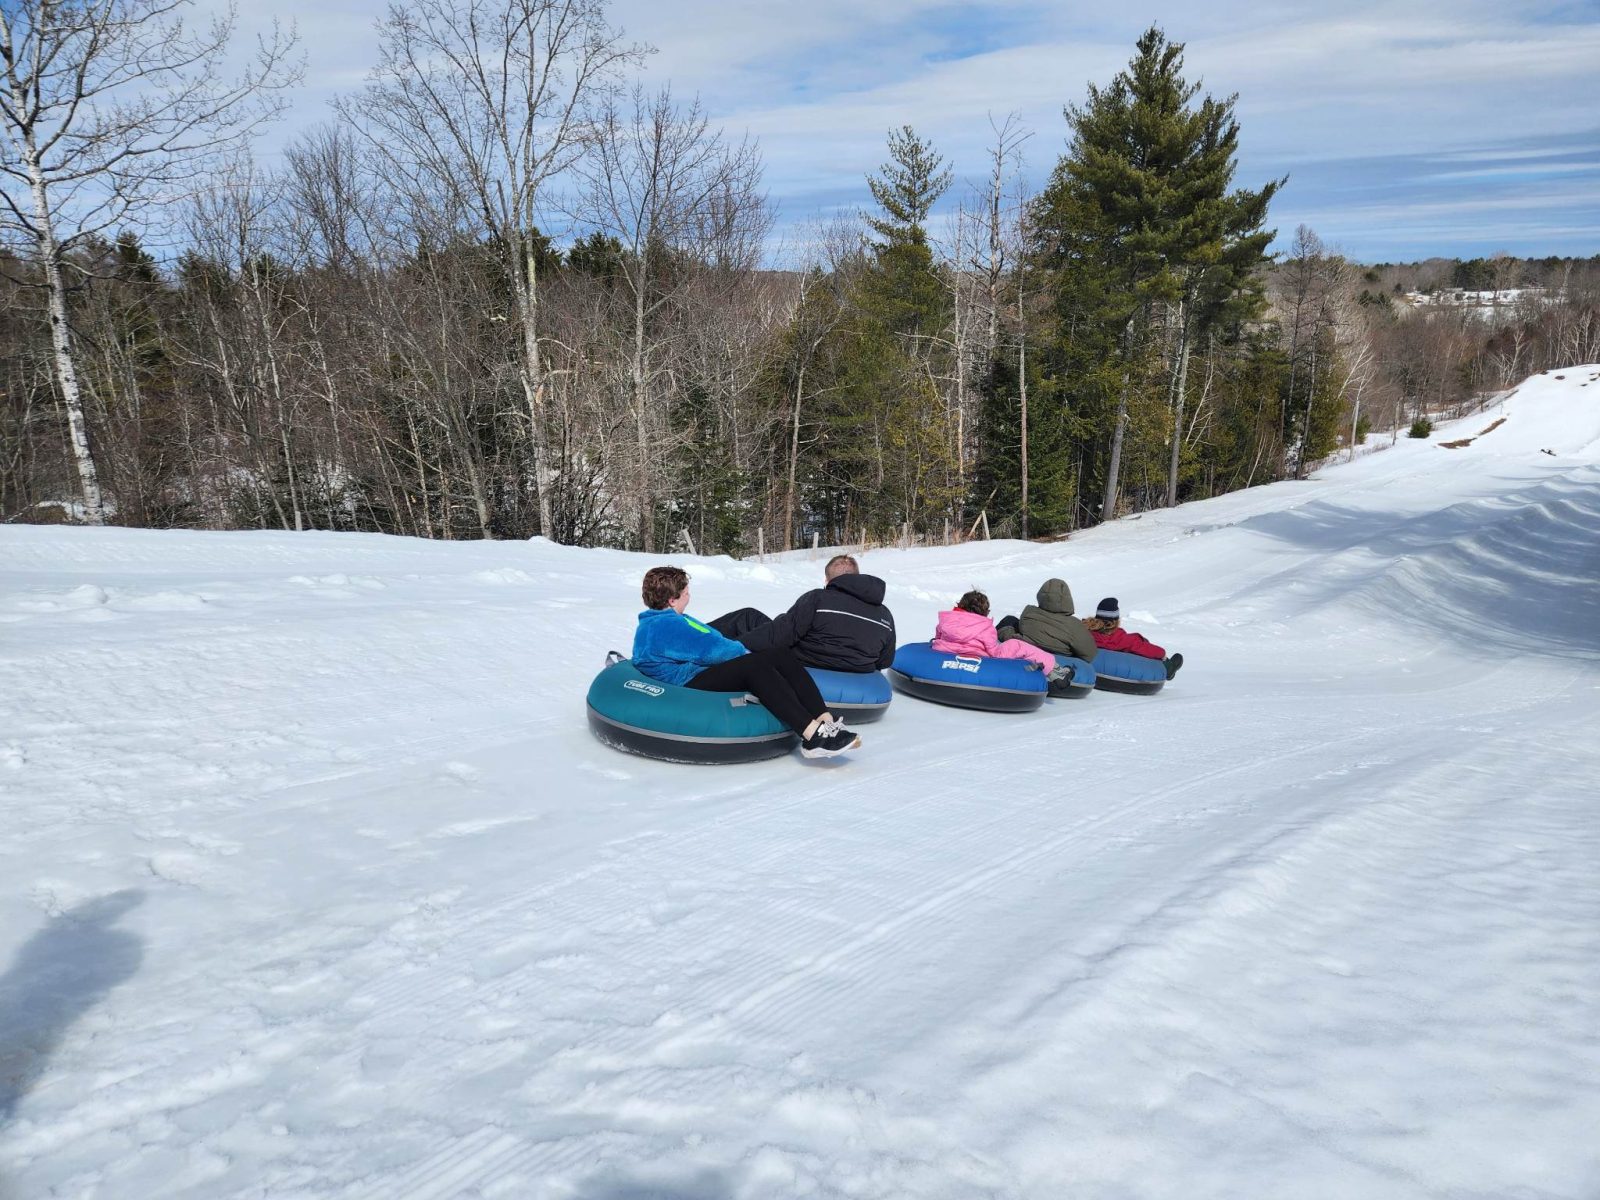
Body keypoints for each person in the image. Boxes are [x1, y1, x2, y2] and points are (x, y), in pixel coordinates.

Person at [632, 566, 861, 759]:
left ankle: (825, 720)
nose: (688, 596)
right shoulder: (665, 626)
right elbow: (714, 651)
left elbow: (707, 638)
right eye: (685, 593)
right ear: (672, 600)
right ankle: (812, 736)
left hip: (694, 670)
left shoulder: (667, 619)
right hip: (686, 680)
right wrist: (745, 651)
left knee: (779, 653)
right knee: (755, 666)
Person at [709, 555, 896, 673]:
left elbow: (778, 636)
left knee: (748, 617)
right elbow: (885, 660)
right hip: (858, 669)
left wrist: (736, 646)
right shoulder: (885, 614)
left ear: (828, 580)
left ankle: (696, 641)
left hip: (807, 662)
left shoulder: (819, 598)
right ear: (857, 576)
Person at [931, 589, 1073, 687]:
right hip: (979, 657)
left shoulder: (947, 619)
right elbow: (993, 652)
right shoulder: (984, 626)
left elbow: (938, 637)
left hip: (948, 651)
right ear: (984, 612)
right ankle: (1055, 670)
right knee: (1016, 645)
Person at [996, 578, 1099, 665]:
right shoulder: (1075, 625)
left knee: (1009, 621)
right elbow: (1089, 655)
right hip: (1060, 662)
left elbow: (1018, 638)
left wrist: (1005, 633)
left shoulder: (1029, 615)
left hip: (1029, 654)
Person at [1083, 597, 1184, 680]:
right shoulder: (1120, 639)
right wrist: (1162, 653)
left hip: (1093, 659)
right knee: (1141, 648)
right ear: (1115, 621)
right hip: (1125, 659)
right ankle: (1169, 667)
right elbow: (1146, 649)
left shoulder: (1086, 631)